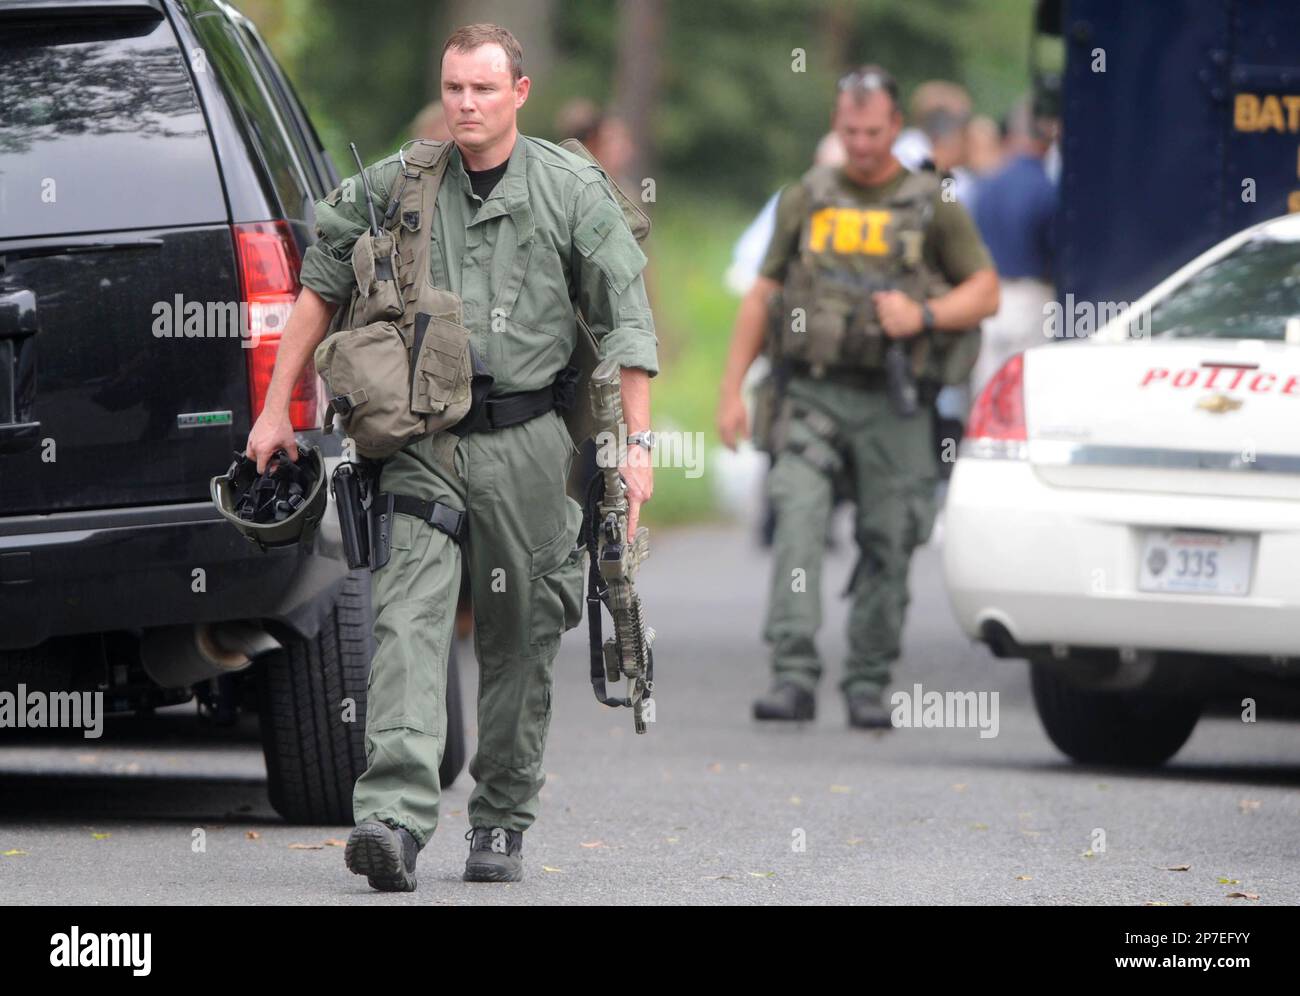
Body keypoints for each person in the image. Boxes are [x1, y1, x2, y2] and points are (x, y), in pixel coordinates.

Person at [245, 23, 659, 890]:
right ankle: (391, 818)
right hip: (422, 444)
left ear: (519, 93)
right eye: (455, 89)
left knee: (519, 638)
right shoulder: (400, 182)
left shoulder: (571, 189)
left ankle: (502, 820)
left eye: (483, 89)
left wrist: (637, 445)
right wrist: (276, 413)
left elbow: (626, 323)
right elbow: (321, 277)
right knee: (406, 623)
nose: (466, 104)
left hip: (531, 445)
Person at [716, 65, 998, 728]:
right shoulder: (807, 196)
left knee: (890, 536)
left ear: (896, 128)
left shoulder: (933, 203)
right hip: (811, 393)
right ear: (837, 127)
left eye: (873, 132)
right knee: (797, 518)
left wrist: (923, 316)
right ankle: (792, 675)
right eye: (850, 131)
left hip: (893, 402)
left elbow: (983, 291)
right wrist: (732, 390)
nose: (862, 144)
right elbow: (762, 294)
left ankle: (868, 678)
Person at [968, 96, 1058, 398]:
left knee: (985, 395)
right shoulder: (1046, 188)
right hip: (1032, 296)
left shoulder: (987, 184)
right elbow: (1053, 248)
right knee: (1024, 395)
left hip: (988, 297)